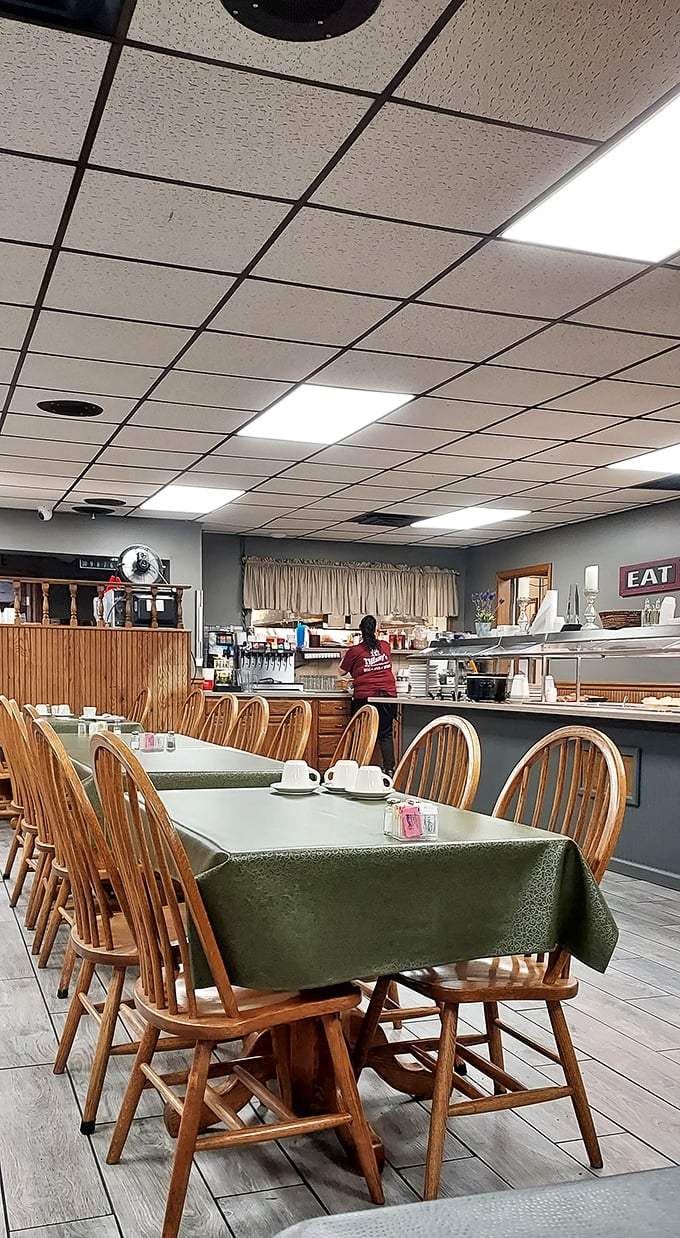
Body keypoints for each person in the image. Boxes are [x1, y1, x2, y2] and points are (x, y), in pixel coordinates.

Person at [340, 615, 397, 775]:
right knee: (385, 733)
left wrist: (343, 656)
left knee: (361, 732)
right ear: (376, 630)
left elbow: (342, 672)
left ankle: (359, 769)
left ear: (360, 630)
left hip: (365, 696)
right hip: (387, 695)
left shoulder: (354, 651)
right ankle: (389, 770)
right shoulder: (385, 646)